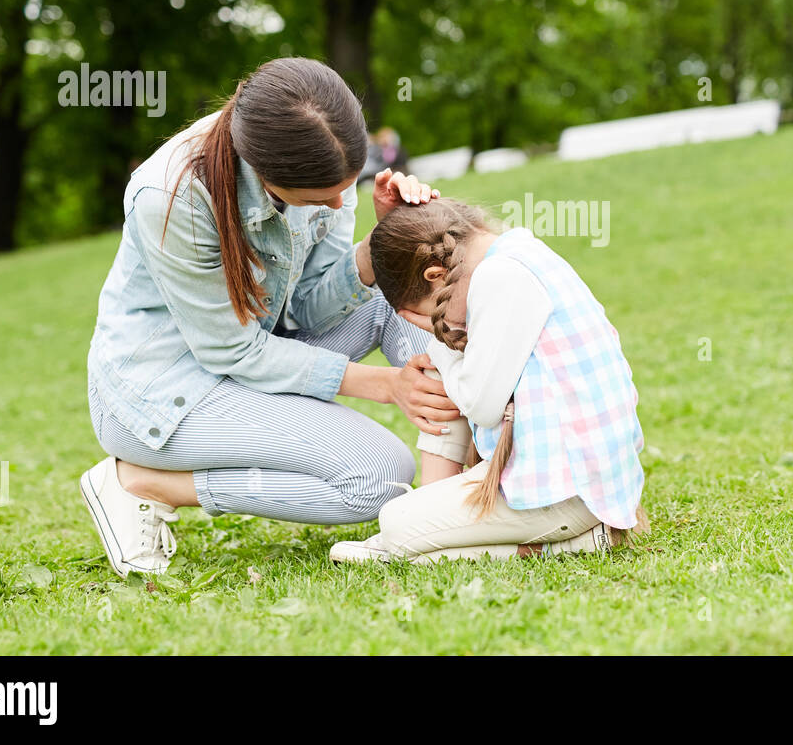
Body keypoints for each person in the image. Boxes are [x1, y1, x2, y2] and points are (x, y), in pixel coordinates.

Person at [81, 57, 459, 578]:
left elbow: (302, 306)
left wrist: (379, 249)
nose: (334, 205)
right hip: (167, 393)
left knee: (396, 288)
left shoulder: (322, 155)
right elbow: (232, 351)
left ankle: (463, 482)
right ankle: (139, 482)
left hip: (259, 351)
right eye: (317, 200)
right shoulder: (170, 197)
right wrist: (388, 385)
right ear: (265, 173)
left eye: (344, 190)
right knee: (380, 479)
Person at [329, 199, 647, 565]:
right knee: (408, 519)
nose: (437, 325)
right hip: (578, 482)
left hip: (565, 497)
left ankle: (569, 544)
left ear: (435, 276)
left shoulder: (502, 278)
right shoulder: (515, 252)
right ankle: (437, 523)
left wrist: (439, 343)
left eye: (426, 315)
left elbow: (481, 404)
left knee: (397, 524)